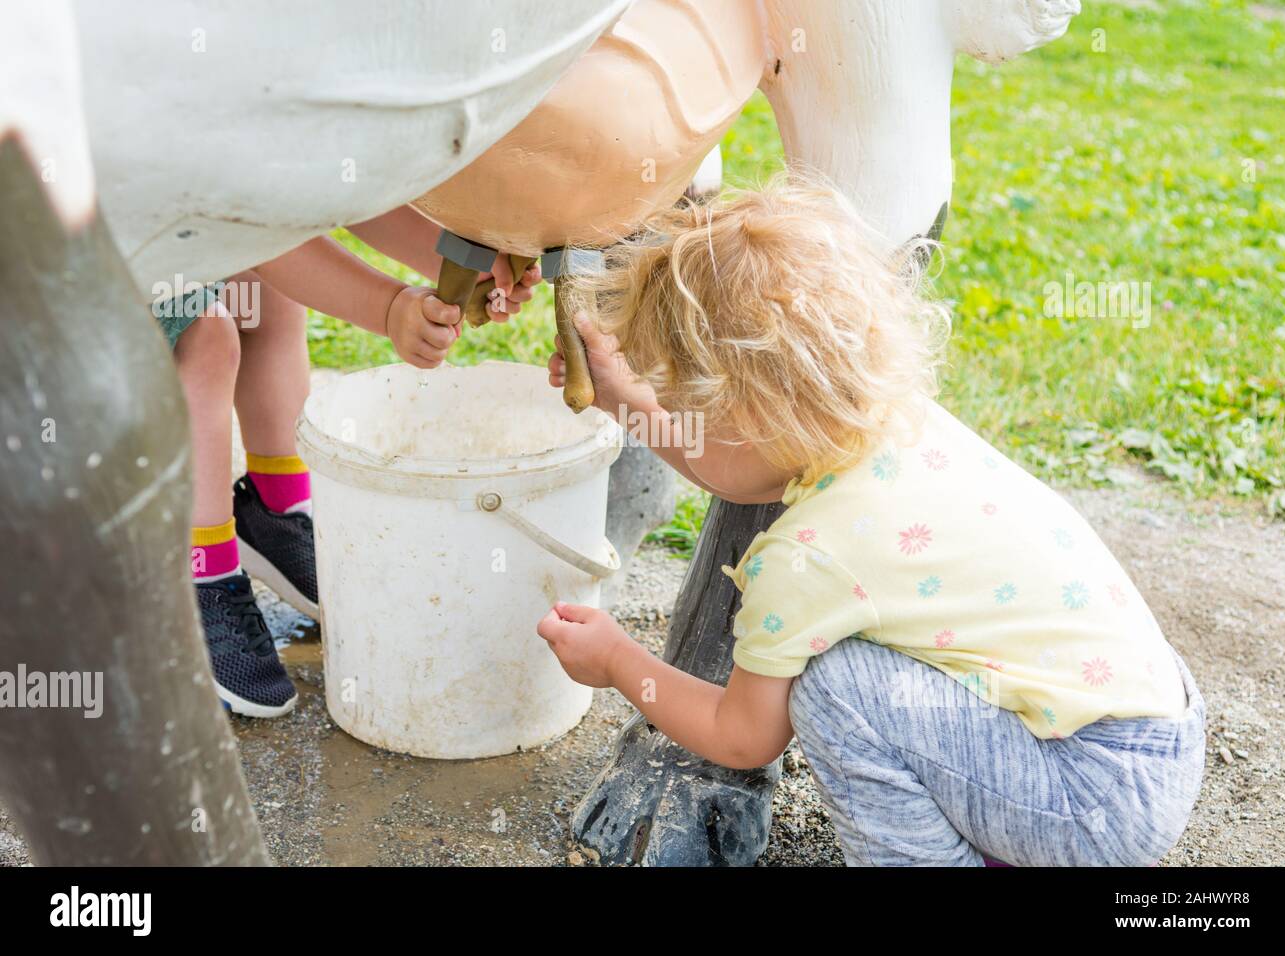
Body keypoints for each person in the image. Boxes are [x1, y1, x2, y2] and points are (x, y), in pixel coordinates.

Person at [536, 176, 1204, 866]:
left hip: (1089, 804)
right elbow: (742, 466)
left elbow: (743, 738)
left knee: (839, 689)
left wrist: (619, 661)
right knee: (872, 674)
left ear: (756, 415)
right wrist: (629, 399)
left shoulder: (806, 558)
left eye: (685, 409)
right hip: (1150, 739)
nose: (674, 421)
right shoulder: (897, 421)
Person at [156, 205, 540, 716]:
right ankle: (200, 571)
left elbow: (324, 189)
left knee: (269, 297)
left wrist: (465, 262)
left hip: (187, 217)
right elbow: (245, 212)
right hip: (75, 253)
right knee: (207, 336)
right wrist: (388, 310)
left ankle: (275, 507)